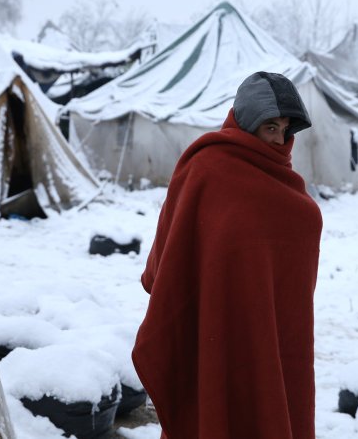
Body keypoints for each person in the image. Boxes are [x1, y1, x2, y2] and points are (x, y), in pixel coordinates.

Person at [132, 71, 323, 439]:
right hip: (213, 329)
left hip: (269, 336)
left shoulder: (289, 194)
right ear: (247, 123)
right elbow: (166, 261)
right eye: (270, 127)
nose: (279, 139)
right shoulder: (206, 169)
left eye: (286, 130)